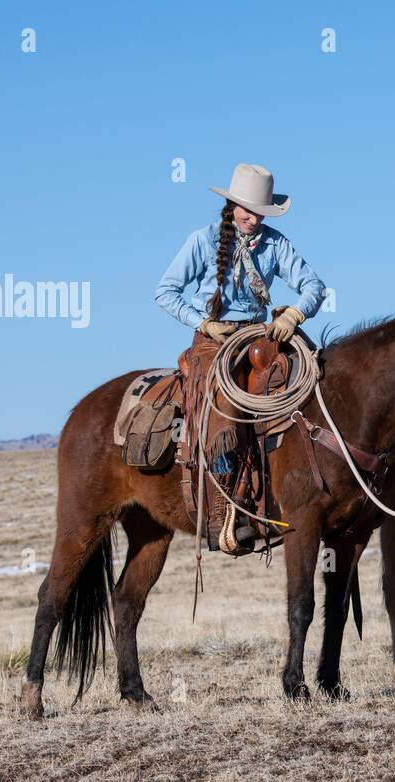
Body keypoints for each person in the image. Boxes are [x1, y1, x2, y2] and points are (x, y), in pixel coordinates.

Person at [155, 163, 326, 552]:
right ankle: (221, 513)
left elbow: (312, 284)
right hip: (213, 340)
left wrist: (296, 314)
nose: (251, 219)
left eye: (259, 212)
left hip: (257, 336)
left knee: (308, 380)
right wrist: (203, 322)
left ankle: (294, 492)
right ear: (231, 205)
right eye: (245, 210)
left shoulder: (276, 244)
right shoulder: (202, 240)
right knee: (224, 407)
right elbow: (165, 291)